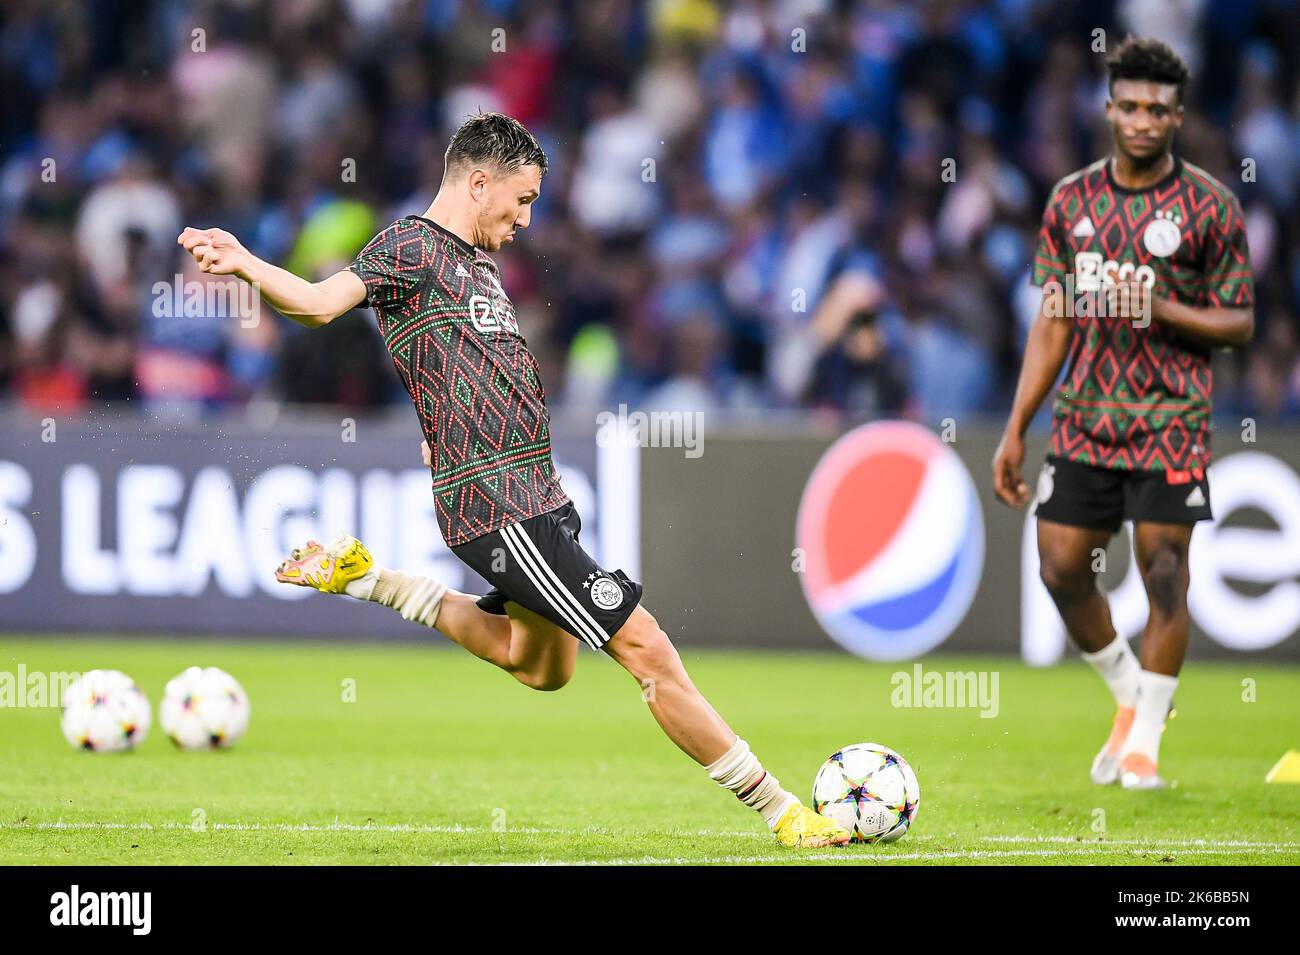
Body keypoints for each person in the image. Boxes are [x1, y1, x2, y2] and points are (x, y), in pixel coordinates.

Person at [178, 111, 848, 847]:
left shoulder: (480, 268)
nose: (527, 217)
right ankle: (785, 813)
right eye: (522, 198)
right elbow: (316, 304)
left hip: (540, 496)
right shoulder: (409, 246)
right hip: (494, 502)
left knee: (538, 665)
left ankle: (370, 578)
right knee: (648, 650)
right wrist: (246, 262)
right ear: (476, 182)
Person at [992, 38, 1254, 789]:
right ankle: (1129, 695)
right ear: (1109, 109)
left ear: (1178, 116)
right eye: (1131, 106)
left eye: (1159, 110)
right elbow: (1053, 318)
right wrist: (1017, 424)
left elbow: (1238, 323)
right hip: (1083, 419)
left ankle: (1145, 746)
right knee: (1060, 566)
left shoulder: (1210, 207)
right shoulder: (1070, 202)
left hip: (1172, 418)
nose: (1144, 120)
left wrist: (1161, 305)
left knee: (1165, 573)